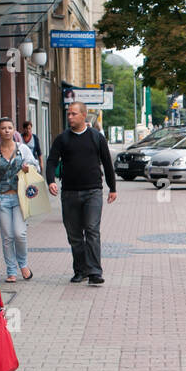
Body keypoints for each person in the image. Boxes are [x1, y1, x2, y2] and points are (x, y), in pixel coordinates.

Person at [46, 101, 117, 285]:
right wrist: (51, 181)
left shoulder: (96, 137)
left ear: (84, 115)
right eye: (69, 114)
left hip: (93, 192)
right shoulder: (62, 139)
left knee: (92, 230)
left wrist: (113, 188)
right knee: (75, 235)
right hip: (69, 193)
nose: (70, 117)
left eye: (73, 114)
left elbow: (107, 164)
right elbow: (52, 161)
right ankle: (80, 270)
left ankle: (95, 272)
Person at [0, 117, 39, 284]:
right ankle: (11, 270)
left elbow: (34, 165)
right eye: (3, 128)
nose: (7, 130)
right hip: (2, 198)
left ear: (14, 130)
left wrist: (27, 167)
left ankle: (23, 264)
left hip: (20, 197)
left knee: (19, 233)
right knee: (7, 236)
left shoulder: (22, 149)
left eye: (10, 127)